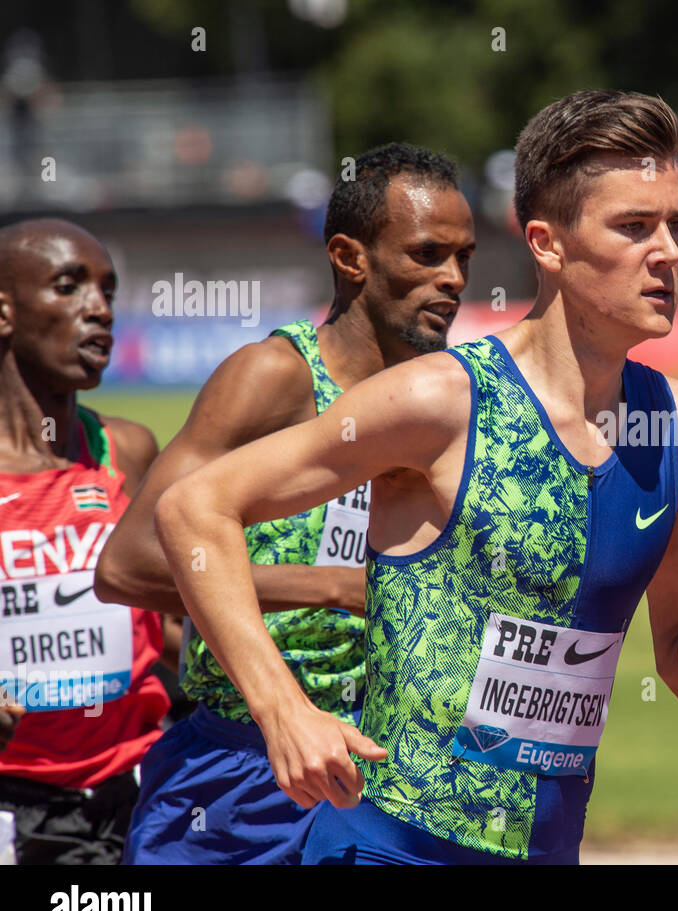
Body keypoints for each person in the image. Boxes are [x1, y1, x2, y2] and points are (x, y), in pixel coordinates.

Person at [152, 89, 678, 865]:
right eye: (634, 227)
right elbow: (194, 507)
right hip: (387, 848)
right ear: (548, 244)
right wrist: (281, 710)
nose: (668, 250)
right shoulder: (440, 399)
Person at [94, 143, 476, 864]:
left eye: (464, 256)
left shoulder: (442, 398)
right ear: (349, 256)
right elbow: (128, 564)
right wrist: (329, 587)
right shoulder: (274, 377)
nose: (452, 278)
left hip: (383, 764)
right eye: (427, 254)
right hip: (242, 770)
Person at [0, 218, 171, 864]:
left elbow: (166, 620)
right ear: (4, 312)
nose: (98, 308)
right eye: (68, 286)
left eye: (108, 290)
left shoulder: (125, 449)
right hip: (16, 807)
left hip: (135, 792)